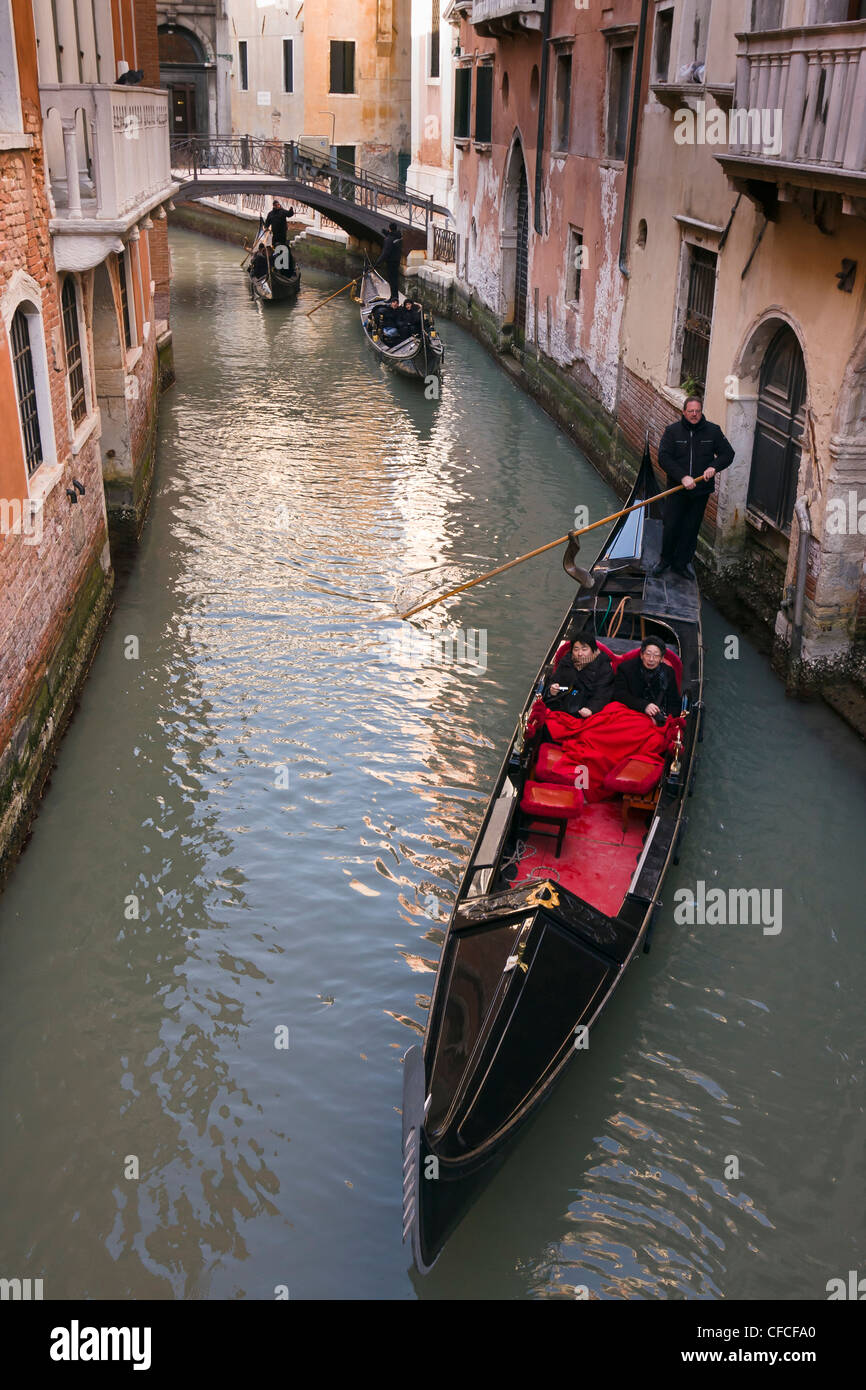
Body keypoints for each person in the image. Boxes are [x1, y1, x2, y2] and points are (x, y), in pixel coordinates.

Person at [653, 395, 734, 579]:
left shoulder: (713, 431)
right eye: (691, 411)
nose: (695, 415)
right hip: (677, 489)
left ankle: (681, 564)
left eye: (697, 411)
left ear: (701, 411)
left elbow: (728, 454)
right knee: (672, 525)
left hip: (700, 491)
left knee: (691, 528)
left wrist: (714, 466)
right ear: (684, 412)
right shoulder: (672, 432)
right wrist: (682, 477)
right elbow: (664, 458)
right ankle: (665, 560)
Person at [543, 632, 615, 718]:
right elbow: (554, 680)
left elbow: (602, 694)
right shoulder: (567, 661)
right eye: (576, 649)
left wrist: (591, 709)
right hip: (563, 703)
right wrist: (552, 690)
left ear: (593, 649)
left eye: (584, 649)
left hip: (587, 709)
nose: (579, 654)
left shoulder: (603, 667)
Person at [613, 637, 680, 723]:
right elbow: (620, 694)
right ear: (641, 655)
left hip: (658, 717)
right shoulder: (626, 668)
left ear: (662, 659)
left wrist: (668, 718)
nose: (651, 659)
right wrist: (644, 706)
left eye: (656, 655)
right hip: (631, 713)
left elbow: (674, 701)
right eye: (648, 654)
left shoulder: (668, 672)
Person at [375, 222, 403, 299]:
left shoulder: (389, 239)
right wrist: (387, 233)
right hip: (397, 261)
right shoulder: (399, 236)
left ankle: (393, 298)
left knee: (392, 281)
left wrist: (377, 263)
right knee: (395, 280)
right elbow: (392, 237)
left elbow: (385, 253)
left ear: (389, 228)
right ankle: (395, 298)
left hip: (391, 262)